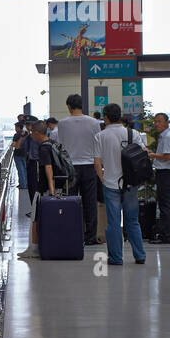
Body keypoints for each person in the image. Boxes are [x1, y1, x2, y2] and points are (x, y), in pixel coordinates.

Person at [93, 103, 146, 266]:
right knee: (132, 221)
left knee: (114, 223)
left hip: (110, 184)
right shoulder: (133, 133)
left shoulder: (100, 136)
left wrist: (103, 179)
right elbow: (143, 153)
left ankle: (116, 258)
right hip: (130, 184)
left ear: (106, 117)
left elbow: (97, 162)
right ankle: (139, 255)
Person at [57, 94, 102, 245]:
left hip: (69, 168)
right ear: (83, 106)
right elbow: (97, 144)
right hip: (89, 166)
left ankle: (71, 234)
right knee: (90, 202)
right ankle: (90, 237)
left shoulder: (62, 124)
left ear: (69, 106)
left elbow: (60, 146)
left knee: (70, 201)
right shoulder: (94, 122)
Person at [17, 121, 59, 260]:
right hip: (50, 188)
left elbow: (48, 167)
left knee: (35, 218)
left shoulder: (43, 148)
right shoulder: (52, 143)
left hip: (43, 190)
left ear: (36, 133)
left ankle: (33, 248)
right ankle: (46, 245)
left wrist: (51, 190)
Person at [147, 113, 170, 244]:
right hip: (166, 173)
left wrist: (152, 155)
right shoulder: (164, 136)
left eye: (159, 121)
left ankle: (165, 236)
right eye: (155, 121)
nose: (157, 124)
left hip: (165, 173)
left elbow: (168, 156)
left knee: (165, 205)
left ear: (166, 123)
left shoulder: (167, 137)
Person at [12, 118, 29, 190]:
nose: (15, 128)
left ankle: (23, 185)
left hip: (18, 154)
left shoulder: (16, 135)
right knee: (25, 169)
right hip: (25, 154)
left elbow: (14, 145)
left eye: (15, 127)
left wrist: (13, 144)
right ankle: (26, 183)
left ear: (18, 127)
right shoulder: (26, 134)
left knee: (20, 170)